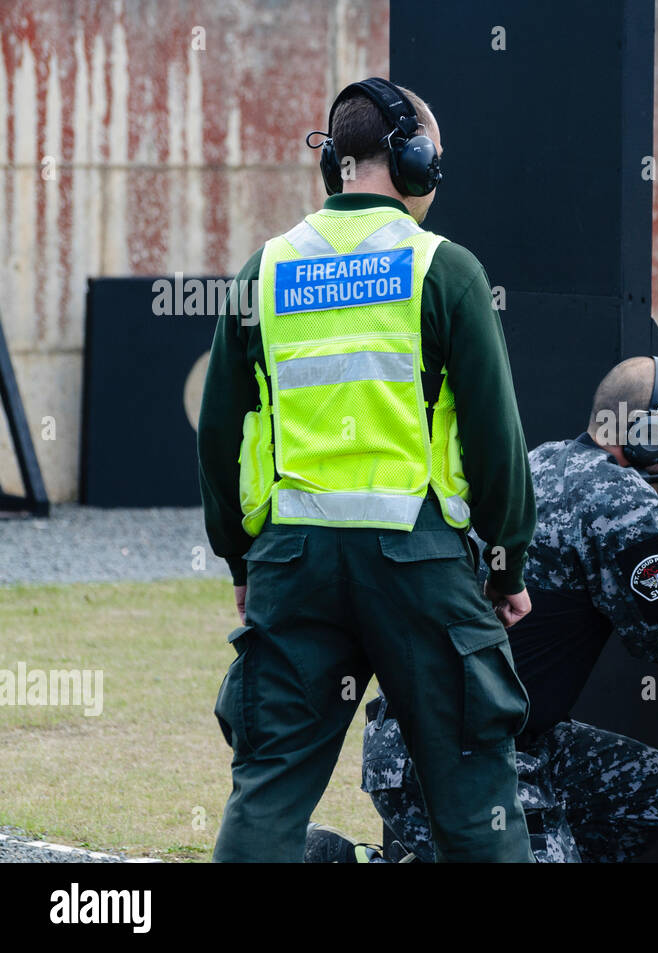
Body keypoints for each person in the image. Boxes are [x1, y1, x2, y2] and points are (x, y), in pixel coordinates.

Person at [198, 77, 535, 862]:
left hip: (292, 560)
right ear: (414, 161)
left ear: (336, 164)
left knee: (268, 786)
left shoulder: (262, 271)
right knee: (474, 791)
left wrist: (240, 559)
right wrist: (507, 563)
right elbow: (497, 441)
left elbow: (219, 436)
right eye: (435, 159)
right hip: (419, 561)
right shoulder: (446, 269)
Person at [345, 356, 658, 862]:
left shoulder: (551, 463)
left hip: (464, 739)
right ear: (646, 436)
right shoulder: (620, 502)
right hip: (457, 761)